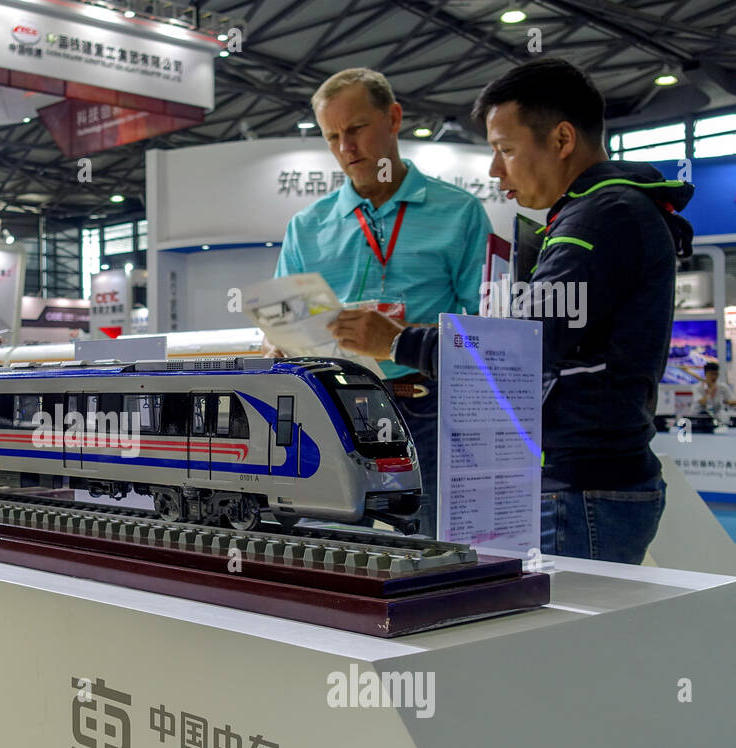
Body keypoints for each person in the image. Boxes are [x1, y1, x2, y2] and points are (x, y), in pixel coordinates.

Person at [329, 57, 694, 564]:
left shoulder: (602, 219)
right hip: (578, 480)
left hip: (580, 487)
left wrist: (395, 342)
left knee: (556, 641)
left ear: (562, 140)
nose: (496, 169)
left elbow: (519, 346)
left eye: (505, 149)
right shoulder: (598, 213)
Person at [272, 67, 491, 537]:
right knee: (327, 541)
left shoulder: (459, 213)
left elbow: (491, 332)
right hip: (332, 408)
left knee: (437, 545)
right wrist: (280, 345)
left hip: (427, 409)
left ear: (394, 118)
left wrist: (399, 342)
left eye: (356, 129)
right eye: (332, 137)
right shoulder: (306, 227)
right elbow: (283, 312)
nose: (345, 149)